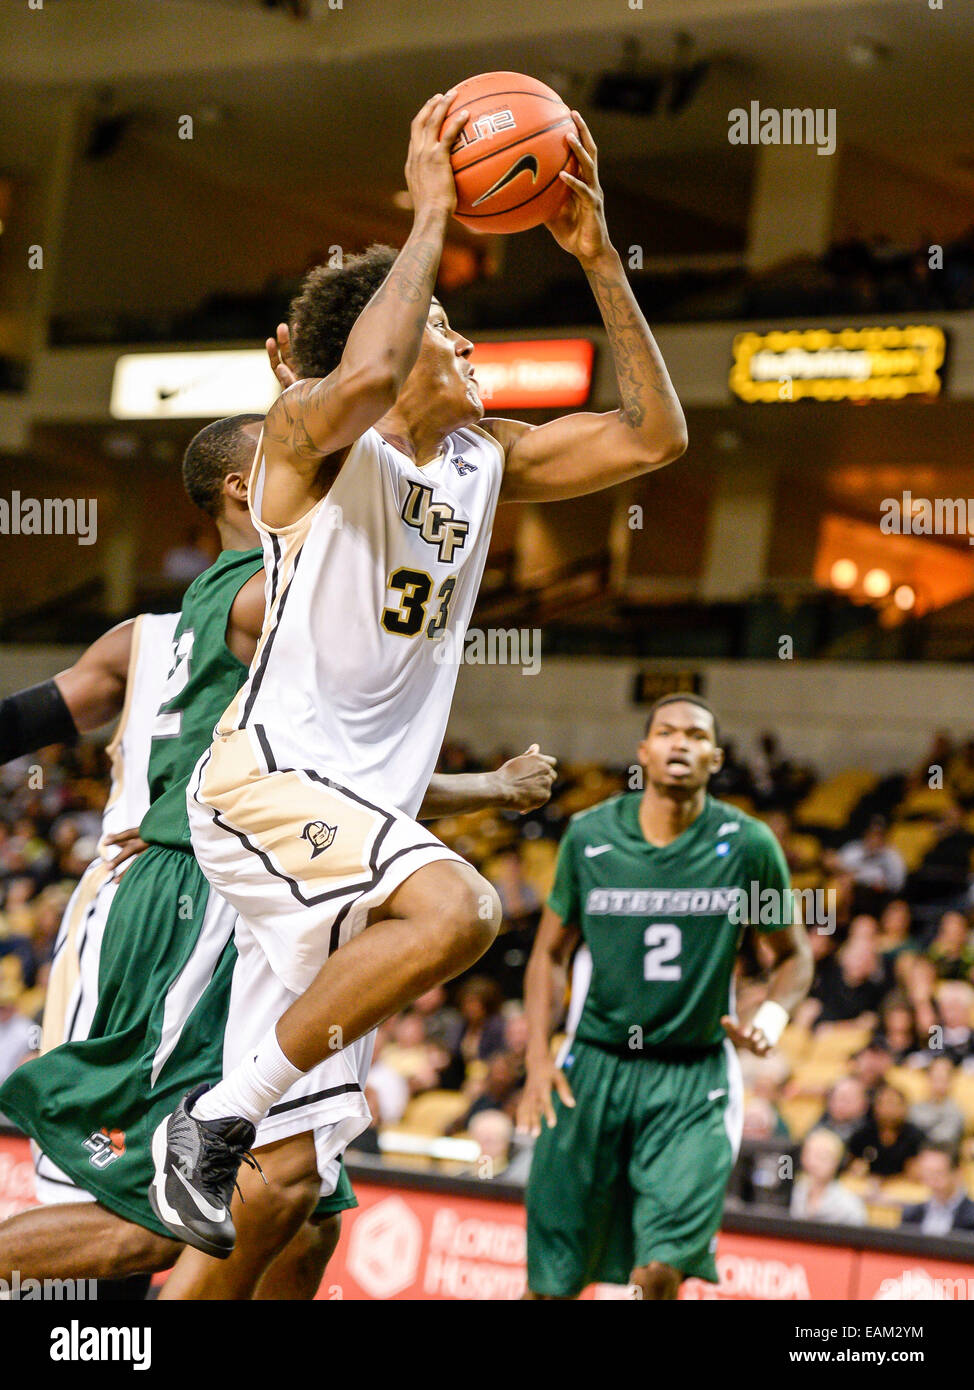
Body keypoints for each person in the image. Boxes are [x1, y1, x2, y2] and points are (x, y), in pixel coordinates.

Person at [152, 90, 688, 1261]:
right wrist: (431, 214)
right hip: (265, 790)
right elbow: (364, 369)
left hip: (355, 829)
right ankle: (210, 1116)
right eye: (447, 328)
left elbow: (654, 437)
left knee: (288, 1205)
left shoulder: (484, 461)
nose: (468, 344)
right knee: (462, 907)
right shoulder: (306, 440)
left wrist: (598, 259)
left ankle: (226, 1128)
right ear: (382, 353)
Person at [0, 414, 555, 1295]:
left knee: (294, 1207)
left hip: (264, 883)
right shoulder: (240, 606)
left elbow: (341, 771)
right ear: (242, 488)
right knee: (148, 1212)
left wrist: (482, 787)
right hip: (175, 894)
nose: (330, 458)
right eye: (298, 445)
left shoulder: (251, 603)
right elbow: (27, 721)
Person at [516, 694, 813, 1299]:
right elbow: (548, 953)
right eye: (668, 733)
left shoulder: (749, 844)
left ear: (715, 757)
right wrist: (538, 1060)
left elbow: (793, 956)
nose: (681, 743)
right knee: (553, 1285)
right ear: (644, 752)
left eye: (697, 736)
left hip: (692, 1077)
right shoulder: (590, 836)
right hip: (592, 1066)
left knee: (659, 1272)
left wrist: (774, 1017)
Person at [847, 1082, 925, 1179]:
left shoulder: (916, 1136)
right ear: (875, 1107)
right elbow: (852, 1165)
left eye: (893, 1103)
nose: (889, 1109)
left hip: (902, 1188)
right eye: (884, 1103)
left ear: (904, 1108)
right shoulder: (862, 1135)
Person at [790, 1128, 866, 1226]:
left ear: (837, 1161)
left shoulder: (849, 1204)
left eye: (822, 1157)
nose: (813, 1162)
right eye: (809, 1154)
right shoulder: (795, 1191)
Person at [900, 1148, 974, 1235]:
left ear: (958, 1172)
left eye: (938, 1173)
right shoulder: (911, 1214)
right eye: (927, 1173)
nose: (932, 1181)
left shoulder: (971, 1217)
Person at [908, 1055, 965, 1153]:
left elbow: (946, 1138)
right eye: (935, 1078)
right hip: (919, 1156)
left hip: (945, 1156)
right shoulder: (915, 1108)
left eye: (943, 1079)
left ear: (951, 1082)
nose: (939, 1083)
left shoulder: (956, 1111)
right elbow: (911, 1136)